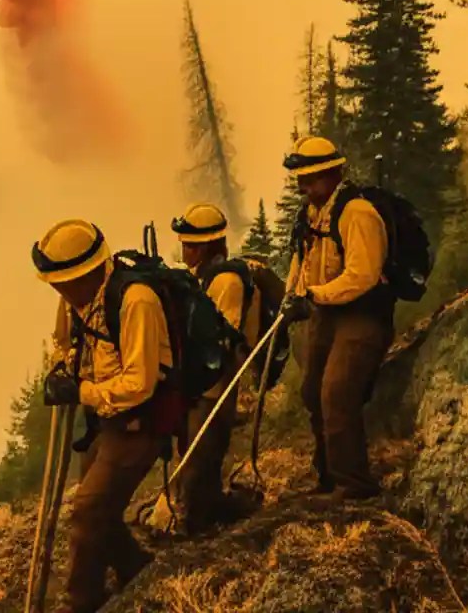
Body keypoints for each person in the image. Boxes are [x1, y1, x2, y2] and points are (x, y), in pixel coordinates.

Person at [32, 219, 182, 613]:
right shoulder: (76, 300)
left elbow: (139, 383)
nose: (58, 291)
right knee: (100, 506)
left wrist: (81, 391)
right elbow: (65, 344)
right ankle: (135, 566)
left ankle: (80, 601)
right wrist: (61, 371)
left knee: (88, 509)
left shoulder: (136, 302)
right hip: (106, 418)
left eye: (63, 282)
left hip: (140, 423)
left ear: (88, 272)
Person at [280, 136, 393, 501]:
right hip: (326, 312)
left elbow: (362, 275)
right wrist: (293, 296)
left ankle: (354, 483)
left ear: (332, 175)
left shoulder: (357, 214)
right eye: (301, 179)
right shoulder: (311, 215)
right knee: (312, 391)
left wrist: (314, 296)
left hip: (362, 315)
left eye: (310, 179)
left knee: (337, 392)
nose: (303, 187)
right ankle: (328, 476)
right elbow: (302, 260)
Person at [159, 202, 263, 532]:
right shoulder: (200, 277)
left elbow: (223, 338)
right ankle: (207, 507)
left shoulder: (227, 281)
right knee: (194, 444)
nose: (185, 251)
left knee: (202, 449)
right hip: (198, 379)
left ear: (207, 246)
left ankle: (194, 519)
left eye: (190, 245)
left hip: (216, 381)